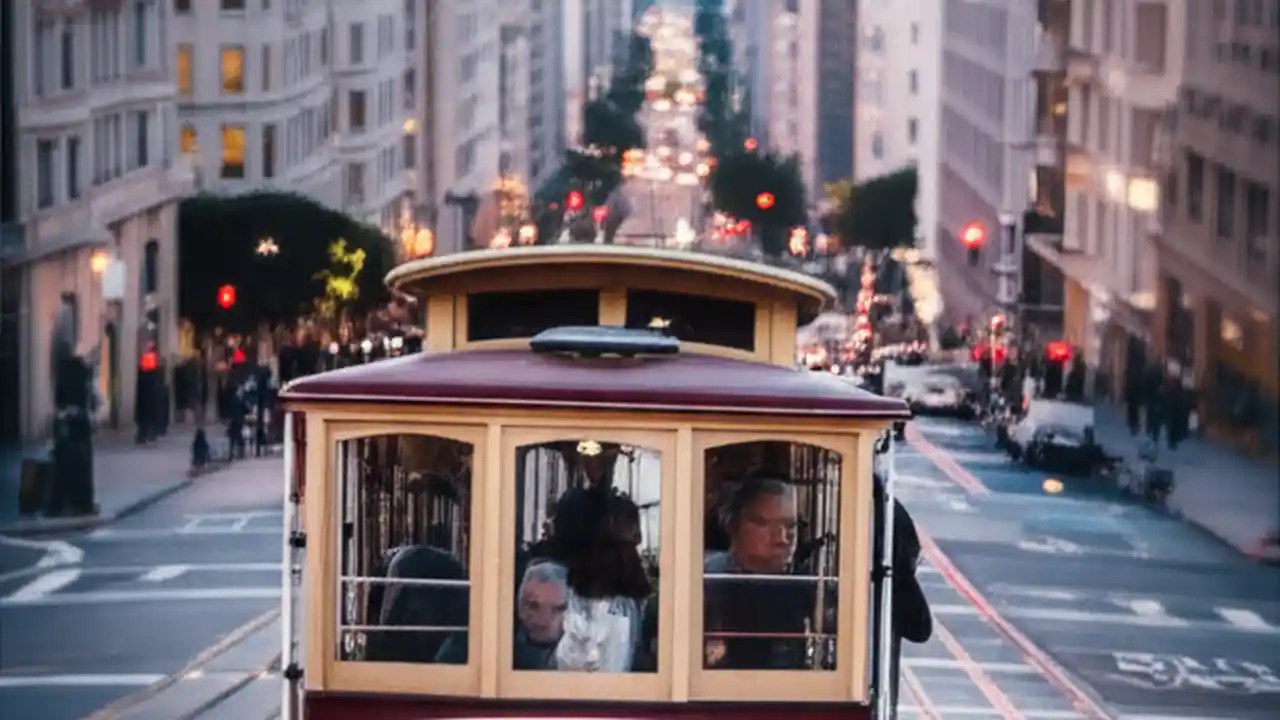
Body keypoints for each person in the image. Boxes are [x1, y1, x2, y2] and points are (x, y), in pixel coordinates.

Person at [703, 478, 822, 670]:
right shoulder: (705, 581)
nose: (782, 539)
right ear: (732, 525)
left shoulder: (807, 589)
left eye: (791, 526)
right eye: (763, 523)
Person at [436, 560, 569, 669]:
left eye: (558, 609)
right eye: (533, 606)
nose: (543, 621)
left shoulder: (584, 652)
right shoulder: (477, 644)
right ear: (518, 605)